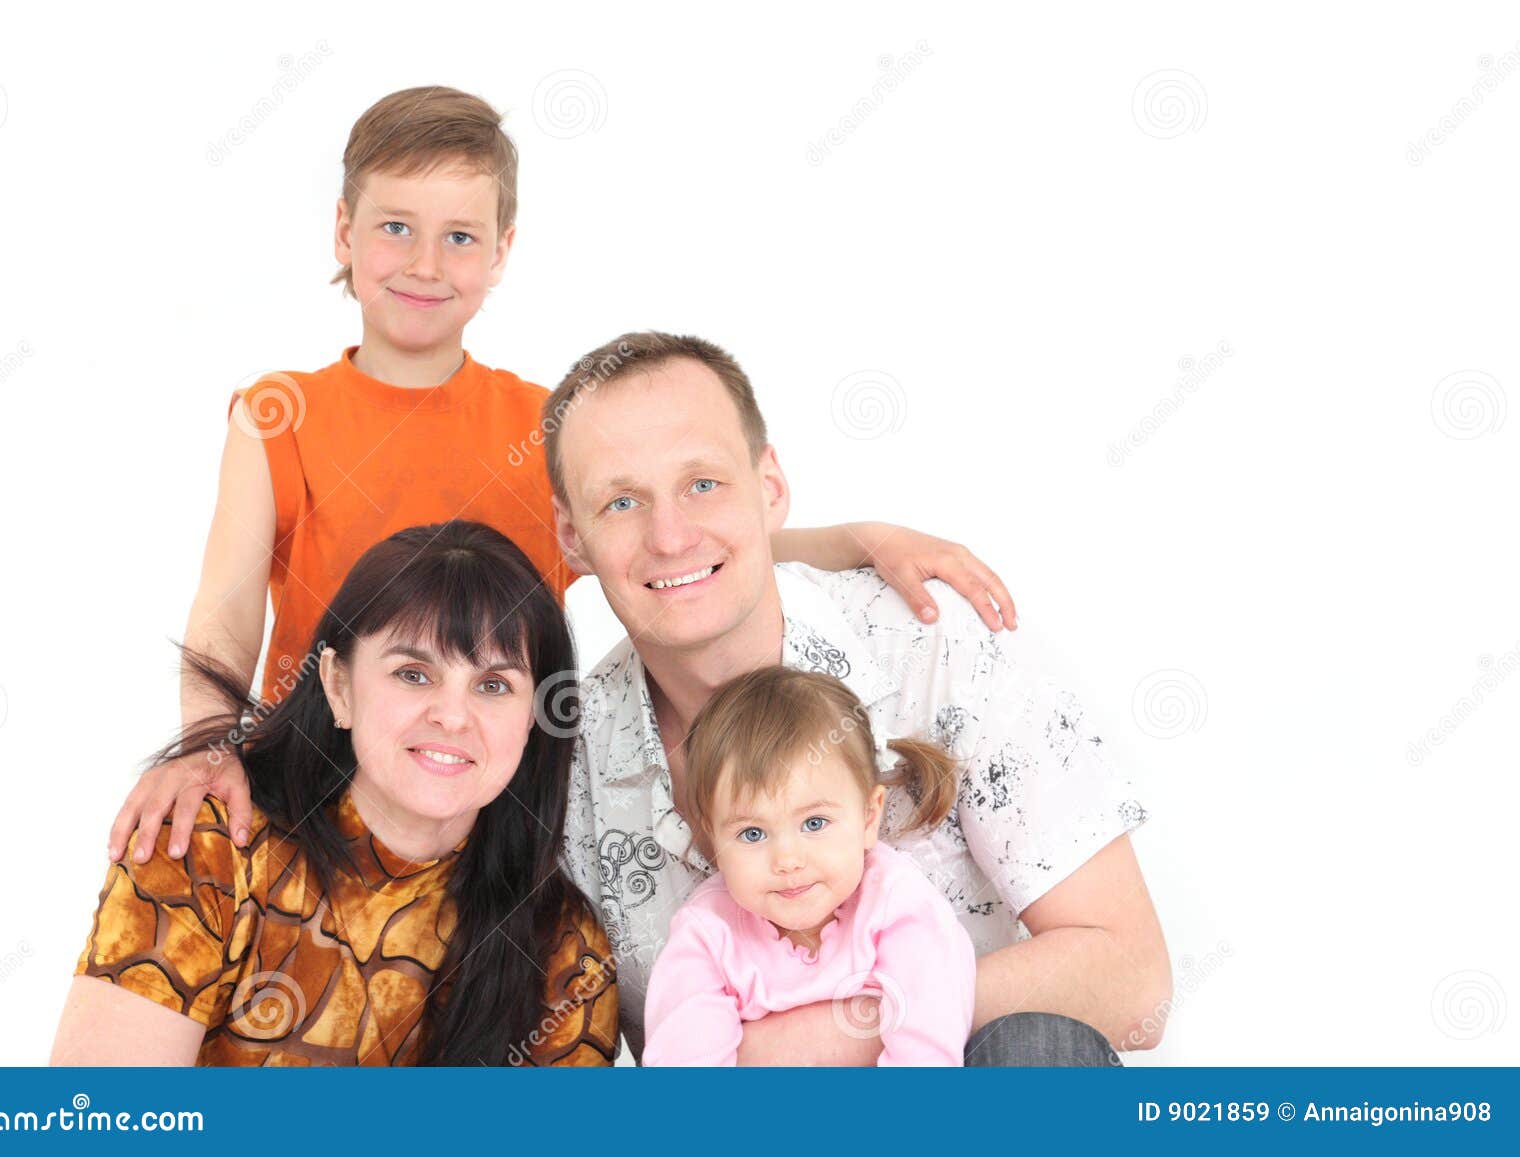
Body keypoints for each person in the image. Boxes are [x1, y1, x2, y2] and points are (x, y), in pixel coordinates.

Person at [111, 84, 1020, 868]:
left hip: (494, 807)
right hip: (310, 786)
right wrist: (205, 748)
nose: (427, 264)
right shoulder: (281, 414)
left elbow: (676, 541)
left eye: (460, 236)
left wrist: (863, 539)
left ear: (502, 252)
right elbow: (227, 607)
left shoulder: (539, 424)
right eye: (396, 228)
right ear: (344, 233)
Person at [545, 331, 1172, 1065]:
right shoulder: (563, 764)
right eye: (622, 501)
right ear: (573, 536)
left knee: (1039, 1046)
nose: (670, 534)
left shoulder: (930, 645)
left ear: (769, 487)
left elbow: (1137, 984)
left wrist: (828, 1036)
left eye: (703, 483)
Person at [52, 521, 617, 1066]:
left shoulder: (566, 954)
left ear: (535, 720)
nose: (451, 716)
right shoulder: (208, 847)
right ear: (338, 686)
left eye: (493, 685)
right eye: (413, 674)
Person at [642, 667, 976, 1066]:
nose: (787, 861)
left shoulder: (898, 904)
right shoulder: (707, 933)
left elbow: (927, 1049)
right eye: (752, 834)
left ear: (869, 818)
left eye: (814, 824)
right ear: (713, 839)